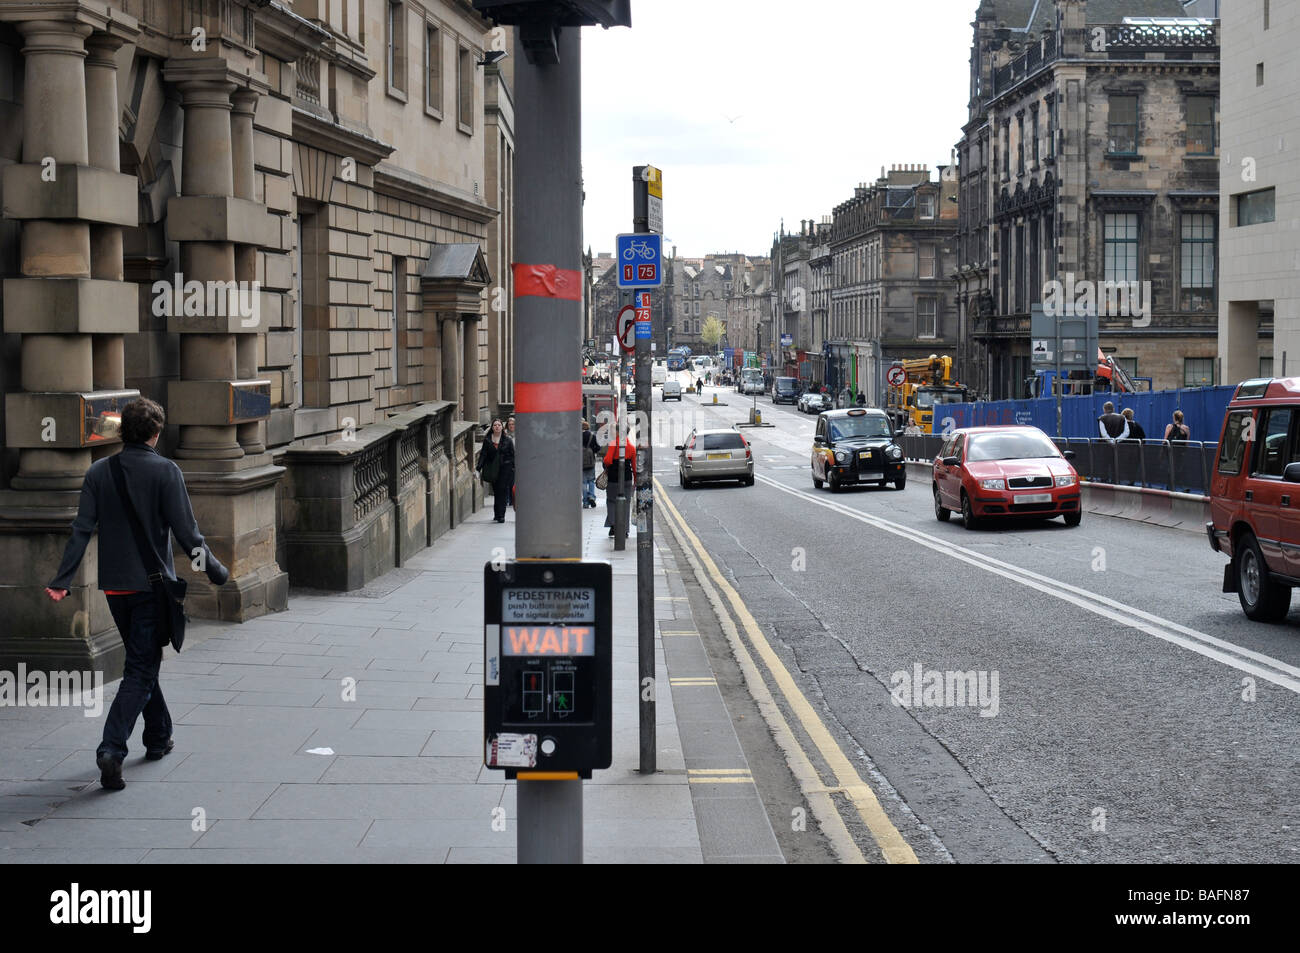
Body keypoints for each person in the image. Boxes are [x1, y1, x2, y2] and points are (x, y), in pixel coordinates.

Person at [45, 397, 229, 792]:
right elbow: (188, 536)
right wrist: (216, 572)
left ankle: (158, 735)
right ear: (156, 433)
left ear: (122, 431)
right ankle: (111, 749)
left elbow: (81, 529)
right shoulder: (166, 471)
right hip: (151, 586)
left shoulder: (98, 472)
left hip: (114, 587)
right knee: (141, 670)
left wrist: (62, 580)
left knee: (142, 663)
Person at [477, 419, 516, 523]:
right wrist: (478, 468)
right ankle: (497, 513)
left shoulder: (507, 440)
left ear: (502, 427)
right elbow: (483, 454)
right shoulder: (488, 440)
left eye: (499, 425)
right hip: (493, 469)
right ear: (492, 427)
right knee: (496, 491)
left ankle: (501, 515)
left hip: (505, 469)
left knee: (502, 490)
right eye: (495, 425)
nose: (497, 426)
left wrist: (513, 468)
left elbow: (512, 455)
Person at [603, 425, 636, 539]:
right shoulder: (631, 447)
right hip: (627, 478)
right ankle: (625, 530)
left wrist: (606, 462)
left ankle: (613, 525)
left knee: (611, 501)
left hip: (613, 478)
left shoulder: (614, 443)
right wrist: (636, 481)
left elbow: (607, 460)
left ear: (618, 432)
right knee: (626, 504)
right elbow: (634, 467)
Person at [581, 419, 599, 509]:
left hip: (581, 463)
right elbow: (598, 447)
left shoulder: (578, 436)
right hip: (591, 462)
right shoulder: (592, 436)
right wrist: (592, 451)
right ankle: (591, 496)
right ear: (588, 427)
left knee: (583, 482)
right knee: (591, 480)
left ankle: (585, 502)